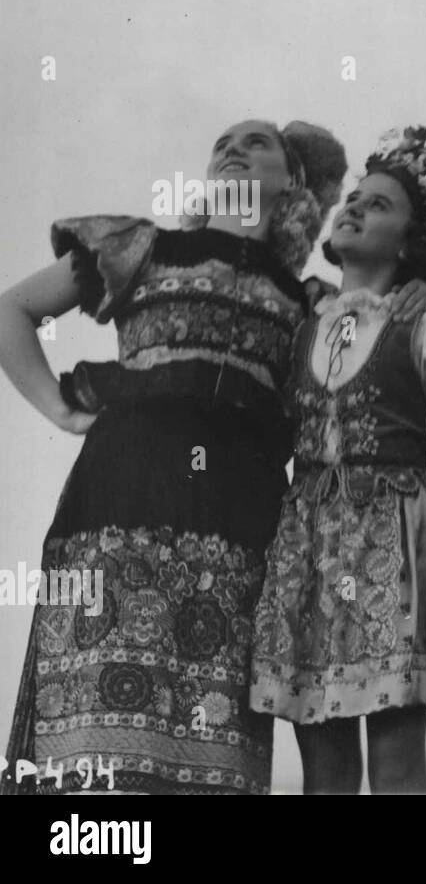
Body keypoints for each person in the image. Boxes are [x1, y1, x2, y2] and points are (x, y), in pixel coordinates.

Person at [0, 120, 347, 794]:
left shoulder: (311, 304)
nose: (232, 148)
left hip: (240, 533)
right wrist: (60, 407)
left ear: (294, 185)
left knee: (210, 748)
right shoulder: (140, 248)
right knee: (93, 751)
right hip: (120, 508)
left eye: (257, 142)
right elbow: (11, 309)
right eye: (224, 141)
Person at [250, 126, 426, 794]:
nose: (356, 208)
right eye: (355, 198)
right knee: (325, 772)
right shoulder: (303, 316)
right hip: (308, 545)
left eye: (382, 205)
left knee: (396, 767)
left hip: (394, 544)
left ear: (409, 241)